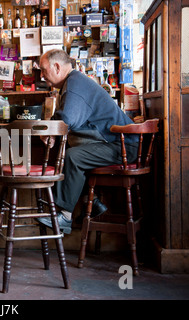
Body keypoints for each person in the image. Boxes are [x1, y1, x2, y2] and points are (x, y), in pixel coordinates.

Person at [37, 49, 139, 234]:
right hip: (117, 143)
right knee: (72, 148)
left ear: (57, 67)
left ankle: (65, 217)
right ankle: (91, 202)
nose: (42, 76)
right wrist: (52, 130)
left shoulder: (75, 84)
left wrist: (50, 131)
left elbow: (68, 118)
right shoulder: (74, 81)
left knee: (74, 156)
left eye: (43, 70)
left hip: (124, 146)